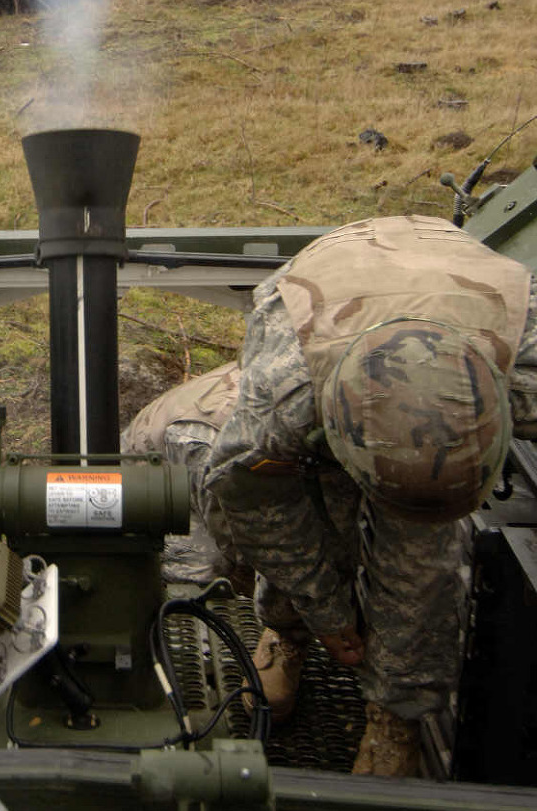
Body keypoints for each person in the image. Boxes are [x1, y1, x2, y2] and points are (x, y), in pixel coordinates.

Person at [203, 214, 537, 776]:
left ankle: (397, 714)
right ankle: (286, 634)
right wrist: (324, 611)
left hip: (456, 282)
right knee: (319, 508)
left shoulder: (526, 367)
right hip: (329, 291)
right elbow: (256, 508)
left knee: (423, 557)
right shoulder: (285, 397)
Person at [121, 361, 252, 589]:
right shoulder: (212, 435)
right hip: (150, 487)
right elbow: (237, 533)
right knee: (206, 568)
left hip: (195, 468)